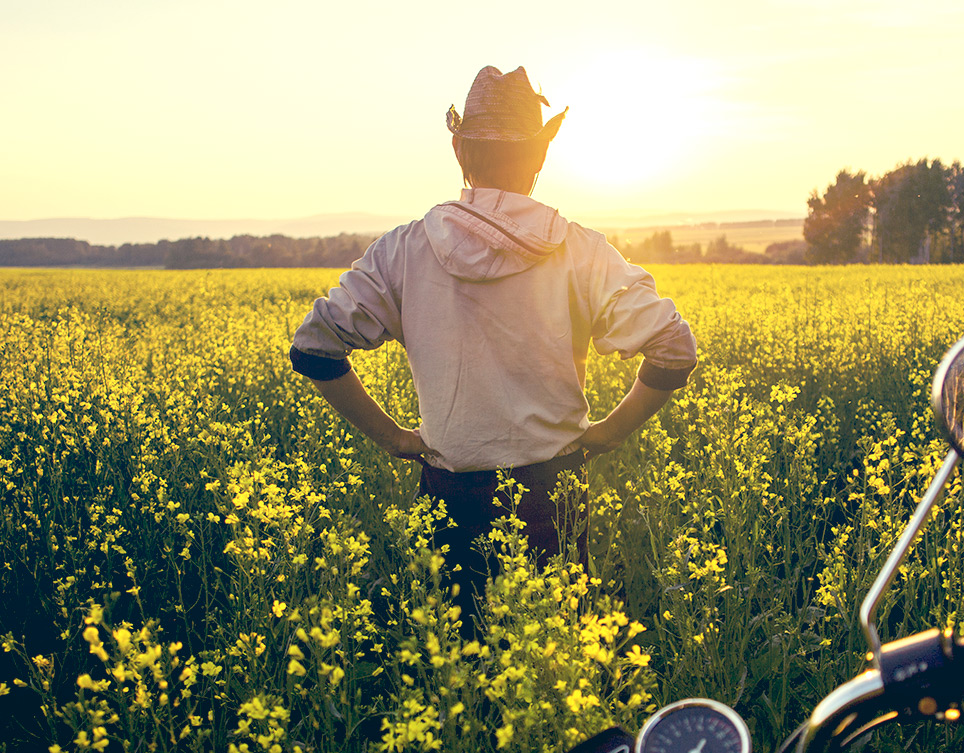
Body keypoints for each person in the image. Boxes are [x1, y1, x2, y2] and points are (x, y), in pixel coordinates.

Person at [288, 65, 698, 629]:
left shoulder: (403, 251)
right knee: (554, 679)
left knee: (457, 671)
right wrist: (612, 431)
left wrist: (394, 439)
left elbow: (313, 347)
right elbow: (675, 348)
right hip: (549, 494)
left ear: (459, 152)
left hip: (448, 493)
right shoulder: (579, 250)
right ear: (540, 158)